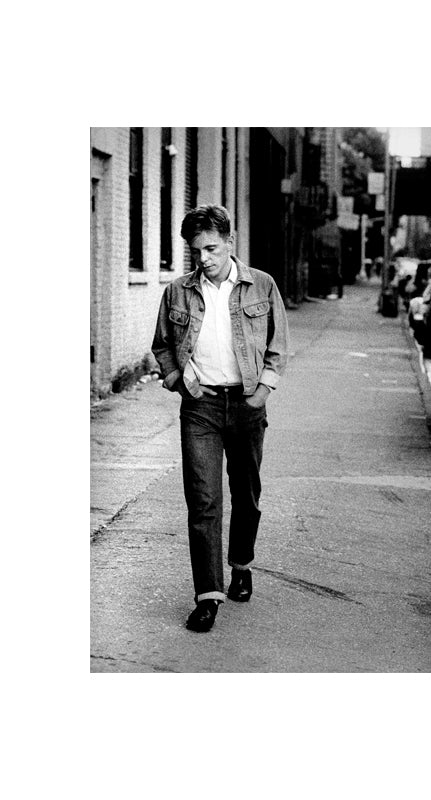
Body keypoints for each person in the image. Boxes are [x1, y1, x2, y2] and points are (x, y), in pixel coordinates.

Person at [151, 204, 289, 633]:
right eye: (196, 250)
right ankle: (208, 596)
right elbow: (162, 345)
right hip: (201, 408)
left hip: (247, 404)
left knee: (246, 494)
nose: (204, 258)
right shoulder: (177, 292)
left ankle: (241, 565)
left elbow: (278, 344)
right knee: (203, 500)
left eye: (211, 248)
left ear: (230, 241)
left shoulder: (262, 285)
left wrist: (262, 393)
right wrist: (178, 381)